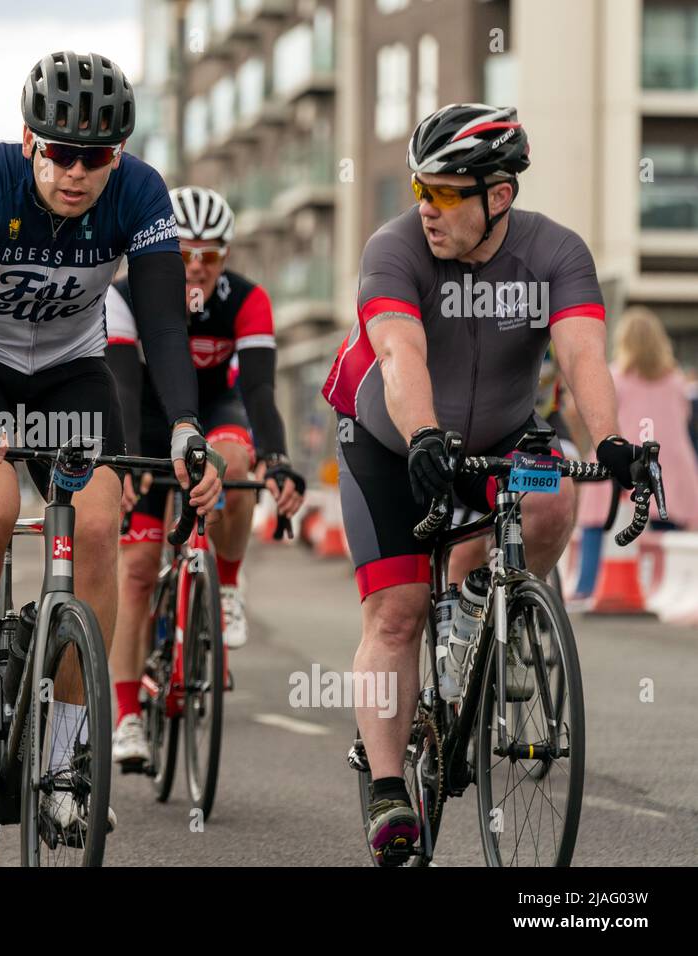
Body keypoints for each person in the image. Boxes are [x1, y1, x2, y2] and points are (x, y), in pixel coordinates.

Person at [0, 52, 223, 836]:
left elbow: (165, 326)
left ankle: (68, 757)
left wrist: (184, 426)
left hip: (71, 373)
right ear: (29, 143)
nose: (77, 174)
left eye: (96, 158)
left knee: (103, 527)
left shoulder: (140, 193)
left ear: (118, 156)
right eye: (61, 154)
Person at [321, 103, 648, 865]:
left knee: (553, 492)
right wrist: (423, 437)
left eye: (444, 194)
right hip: (386, 437)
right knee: (397, 615)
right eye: (418, 189)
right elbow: (399, 354)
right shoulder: (394, 246)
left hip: (501, 433)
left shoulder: (555, 252)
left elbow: (582, 358)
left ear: (498, 195)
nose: (425, 209)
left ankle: (476, 602)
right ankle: (390, 790)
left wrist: (613, 442)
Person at [105, 186, 305, 767]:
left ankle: (229, 585)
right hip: (142, 422)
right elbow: (121, 384)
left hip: (216, 415)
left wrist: (279, 456)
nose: (196, 266)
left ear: (226, 256)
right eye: (185, 253)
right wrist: (121, 458)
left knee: (237, 465)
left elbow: (261, 389)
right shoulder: (125, 296)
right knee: (138, 572)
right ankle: (124, 718)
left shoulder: (248, 301)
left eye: (210, 256)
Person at [576, 306, 698, 542]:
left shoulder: (614, 378)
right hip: (669, 472)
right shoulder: (676, 382)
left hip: (623, 469)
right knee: (667, 550)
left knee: (598, 545)